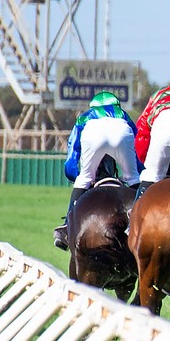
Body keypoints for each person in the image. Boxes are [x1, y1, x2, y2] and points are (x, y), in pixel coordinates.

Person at [54, 90, 139, 248]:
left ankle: (66, 228)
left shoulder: (85, 117)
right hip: (121, 131)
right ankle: (142, 221)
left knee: (84, 179)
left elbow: (73, 151)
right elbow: (138, 145)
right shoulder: (123, 115)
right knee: (133, 177)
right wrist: (139, 173)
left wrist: (74, 174)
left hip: (93, 134)